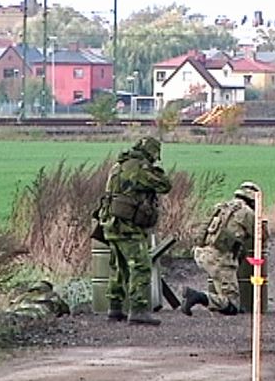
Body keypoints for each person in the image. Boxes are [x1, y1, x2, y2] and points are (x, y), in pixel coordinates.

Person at [99, 136, 172, 325]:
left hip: (111, 224)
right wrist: (156, 169)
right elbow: (165, 185)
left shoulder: (118, 165)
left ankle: (114, 308)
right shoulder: (140, 168)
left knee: (118, 267)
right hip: (127, 227)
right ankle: (139, 310)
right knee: (141, 265)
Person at [180, 182, 259, 316]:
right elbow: (261, 236)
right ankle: (196, 296)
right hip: (219, 259)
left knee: (223, 291)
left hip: (202, 253)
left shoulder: (222, 207)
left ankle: (212, 302)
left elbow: (201, 229)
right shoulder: (247, 213)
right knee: (232, 304)